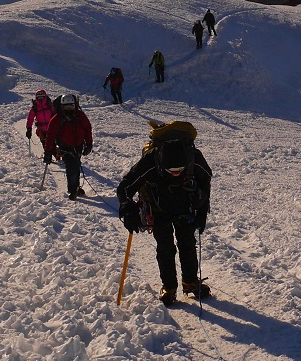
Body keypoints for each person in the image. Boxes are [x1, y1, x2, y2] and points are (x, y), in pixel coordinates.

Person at [117, 120, 212, 305]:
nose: (175, 174)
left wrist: (202, 212)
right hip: (158, 209)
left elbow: (205, 183)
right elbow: (125, 187)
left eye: (180, 171)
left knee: (187, 244)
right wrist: (127, 207)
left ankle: (190, 282)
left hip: (186, 207)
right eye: (170, 171)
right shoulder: (151, 160)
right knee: (165, 247)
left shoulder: (194, 157)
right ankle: (169, 287)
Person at [44, 94, 94, 200]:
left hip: (78, 146)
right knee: (71, 167)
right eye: (66, 106)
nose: (69, 108)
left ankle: (76, 187)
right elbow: (50, 135)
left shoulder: (80, 116)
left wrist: (89, 144)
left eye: (71, 106)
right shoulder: (57, 119)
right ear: (62, 106)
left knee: (76, 165)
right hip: (65, 148)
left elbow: (87, 129)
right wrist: (48, 152)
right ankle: (72, 190)